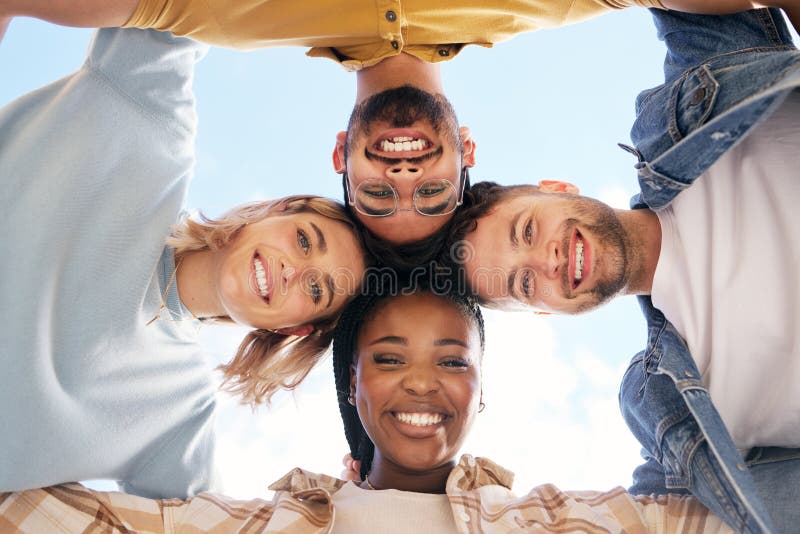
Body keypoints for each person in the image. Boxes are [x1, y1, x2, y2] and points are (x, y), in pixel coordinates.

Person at [7, 1, 794, 271]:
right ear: (468, 153)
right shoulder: (540, 9)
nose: (404, 173)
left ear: (341, 157)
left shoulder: (220, 16)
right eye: (432, 191)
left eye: (379, 195)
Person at [445, 7, 800, 533]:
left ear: (557, 188)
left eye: (526, 231)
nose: (548, 259)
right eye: (525, 283)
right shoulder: (665, 405)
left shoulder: (690, 118)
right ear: (545, 311)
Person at [0, 284, 734, 533]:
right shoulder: (254, 525)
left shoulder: (557, 520)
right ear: (353, 386)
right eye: (389, 359)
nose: (421, 383)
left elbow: (741, 509)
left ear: (482, 393)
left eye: (452, 361)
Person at [0, 27, 368, 499]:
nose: (292, 270)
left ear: (294, 330)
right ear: (271, 212)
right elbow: (177, 18)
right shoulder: (149, 125)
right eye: (302, 240)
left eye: (316, 290)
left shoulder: (176, 420)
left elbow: (211, 526)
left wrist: (363, 499)